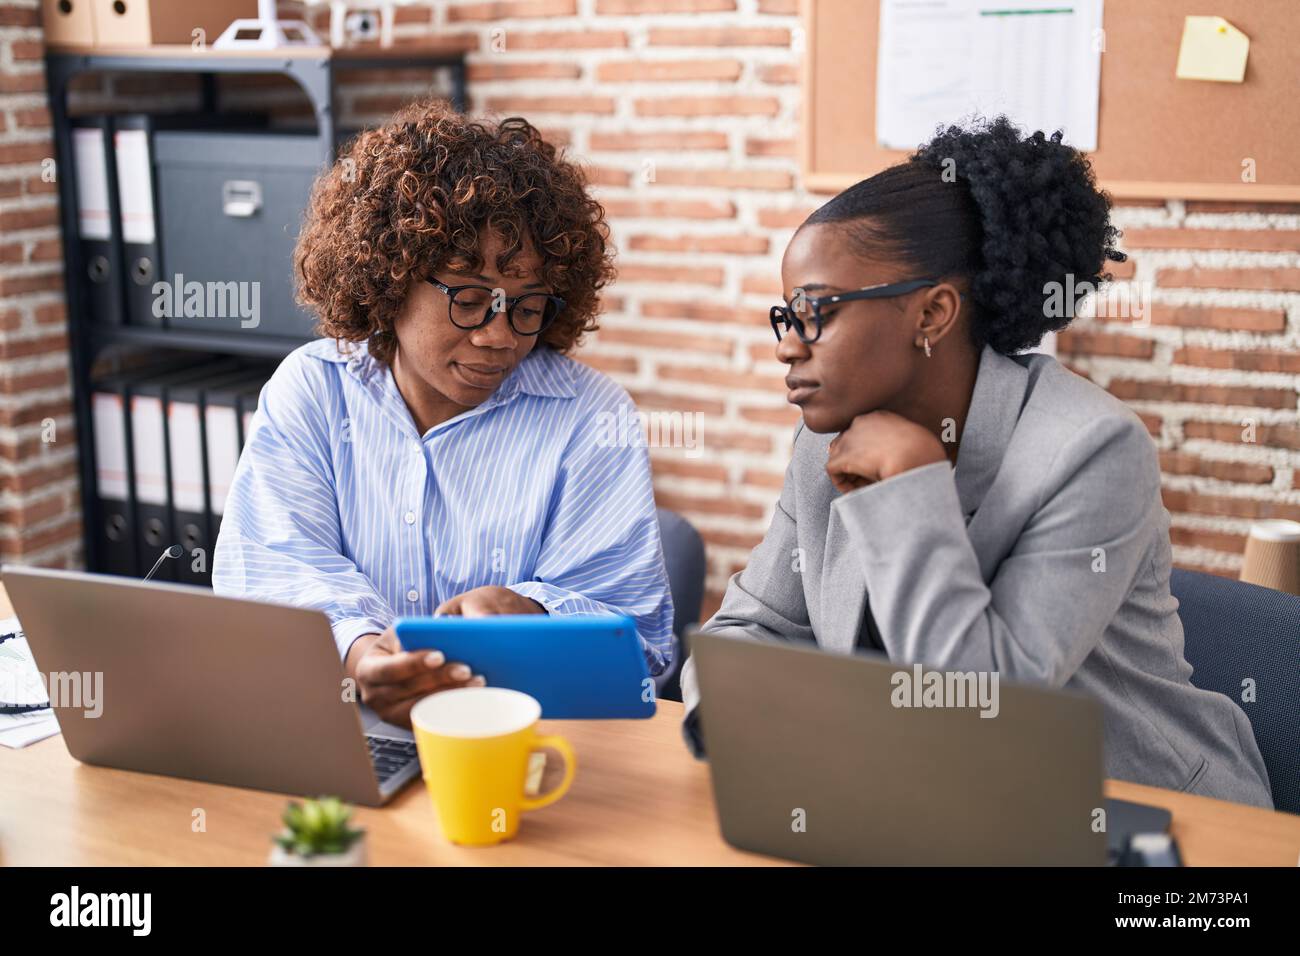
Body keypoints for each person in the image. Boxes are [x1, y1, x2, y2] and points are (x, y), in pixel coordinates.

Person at [681, 116, 1272, 808]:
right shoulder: (824, 443)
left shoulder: (1090, 448)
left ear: (932, 315)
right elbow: (747, 632)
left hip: (1138, 815)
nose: (788, 346)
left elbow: (982, 704)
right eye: (787, 316)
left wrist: (909, 487)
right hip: (934, 807)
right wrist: (775, 735)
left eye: (817, 312)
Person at [213, 99, 673, 728]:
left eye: (527, 305)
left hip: (518, 744)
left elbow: (642, 649)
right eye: (470, 298)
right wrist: (358, 654)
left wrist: (533, 614)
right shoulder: (314, 391)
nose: (500, 336)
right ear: (390, 278)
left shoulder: (589, 418)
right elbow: (269, 573)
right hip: (344, 729)